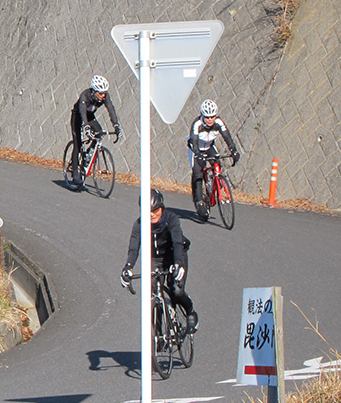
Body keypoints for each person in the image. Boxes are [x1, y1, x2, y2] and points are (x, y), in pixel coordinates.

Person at [120, 189, 198, 333]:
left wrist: (178, 263)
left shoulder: (172, 219)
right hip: (154, 258)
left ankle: (190, 311)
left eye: (155, 210)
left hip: (174, 255)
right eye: (147, 210)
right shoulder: (139, 224)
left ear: (161, 207)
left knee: (177, 291)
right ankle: (157, 334)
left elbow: (177, 243)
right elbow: (134, 248)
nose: (151, 214)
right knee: (153, 295)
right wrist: (128, 267)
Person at [187, 99, 241, 219]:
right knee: (197, 173)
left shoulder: (219, 122)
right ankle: (199, 200)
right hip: (196, 148)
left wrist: (234, 151)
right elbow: (193, 142)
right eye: (207, 117)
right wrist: (197, 154)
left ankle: (215, 181)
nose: (210, 119)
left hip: (210, 146)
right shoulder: (197, 124)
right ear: (203, 115)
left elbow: (227, 137)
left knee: (217, 163)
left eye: (212, 116)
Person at [70, 75, 123, 189]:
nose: (103, 95)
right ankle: (75, 173)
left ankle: (88, 153)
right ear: (94, 91)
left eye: (104, 93)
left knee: (99, 133)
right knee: (78, 144)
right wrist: (86, 127)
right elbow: (83, 113)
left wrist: (116, 125)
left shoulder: (105, 97)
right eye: (100, 93)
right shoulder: (85, 95)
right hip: (78, 117)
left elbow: (111, 109)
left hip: (90, 116)